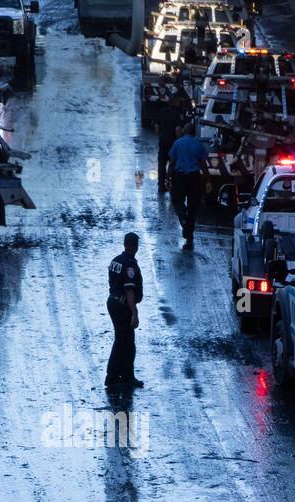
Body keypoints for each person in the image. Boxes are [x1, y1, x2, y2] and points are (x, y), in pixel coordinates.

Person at [105, 232, 145, 390]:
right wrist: (134, 313)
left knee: (126, 341)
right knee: (124, 341)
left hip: (113, 302)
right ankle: (114, 377)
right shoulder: (129, 264)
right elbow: (129, 291)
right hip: (122, 306)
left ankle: (125, 375)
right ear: (135, 247)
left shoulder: (116, 260)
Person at [167, 123, 208, 250]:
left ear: (184, 131)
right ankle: (189, 237)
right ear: (194, 132)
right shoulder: (198, 144)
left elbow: (172, 162)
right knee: (193, 206)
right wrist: (208, 179)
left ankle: (183, 218)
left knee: (177, 200)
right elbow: (203, 164)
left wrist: (168, 177)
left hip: (180, 177)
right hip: (194, 178)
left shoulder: (177, 143)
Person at [154, 90, 189, 193]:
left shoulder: (162, 111)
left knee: (162, 163)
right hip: (173, 143)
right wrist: (179, 142)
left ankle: (161, 185)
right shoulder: (178, 114)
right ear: (176, 102)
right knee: (173, 164)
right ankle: (172, 184)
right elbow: (178, 129)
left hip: (163, 141)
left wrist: (160, 136)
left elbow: (156, 126)